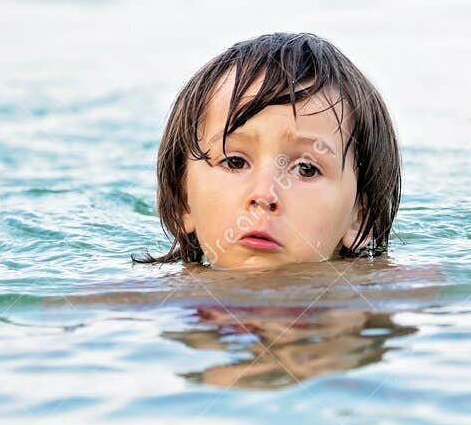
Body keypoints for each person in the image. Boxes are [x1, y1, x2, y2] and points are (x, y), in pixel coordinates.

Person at [137, 32, 401, 270]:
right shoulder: (144, 301)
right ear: (184, 201)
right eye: (234, 162)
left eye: (306, 169)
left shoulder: (380, 299)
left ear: (359, 216)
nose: (264, 195)